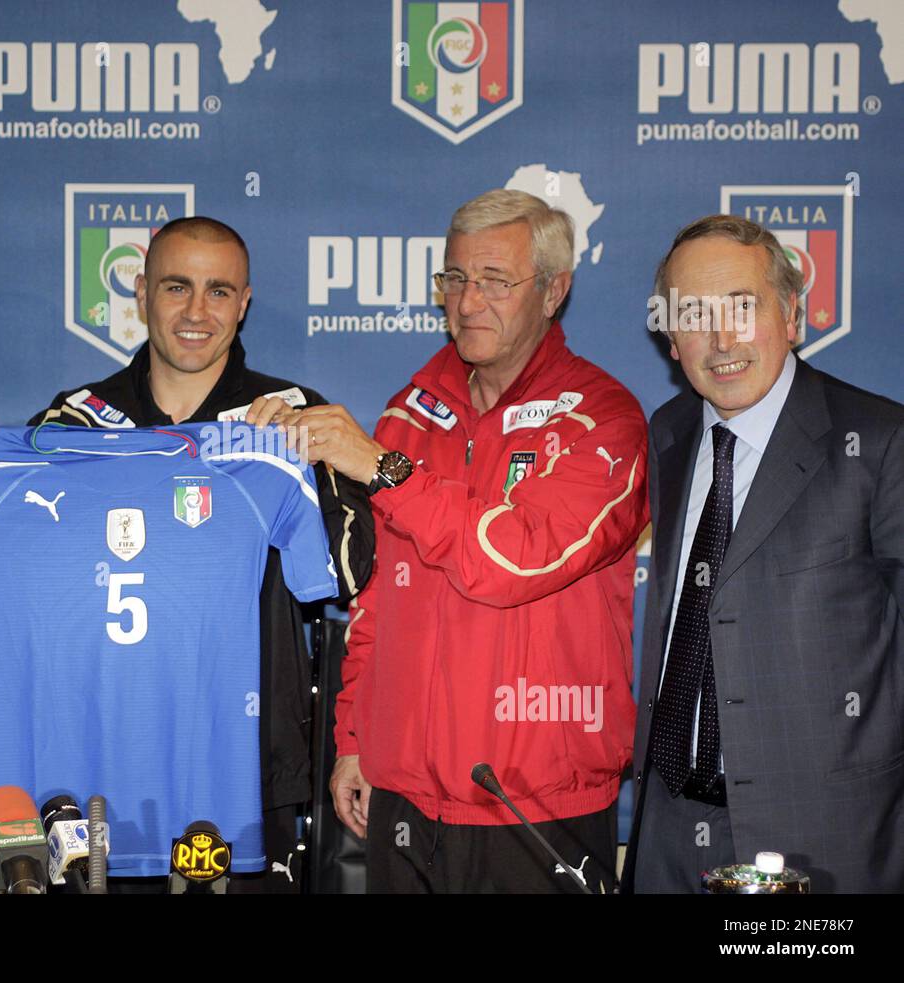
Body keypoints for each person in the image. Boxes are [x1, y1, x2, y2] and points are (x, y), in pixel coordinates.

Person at [286, 189, 648, 893]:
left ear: (554, 291)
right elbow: (376, 602)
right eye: (455, 278)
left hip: (534, 801)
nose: (469, 300)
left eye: (495, 280)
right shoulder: (411, 408)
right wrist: (358, 739)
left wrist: (382, 469)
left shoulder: (603, 419)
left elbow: (514, 557)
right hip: (406, 796)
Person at [27, 216, 374, 891]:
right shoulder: (72, 423)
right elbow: (22, 582)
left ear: (244, 304)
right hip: (102, 762)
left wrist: (312, 467)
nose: (195, 311)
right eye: (176, 287)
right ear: (140, 291)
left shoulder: (298, 415)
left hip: (243, 767)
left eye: (218, 292)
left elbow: (352, 573)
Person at [622, 215, 904, 894]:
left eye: (742, 307)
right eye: (695, 313)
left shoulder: (880, 442)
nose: (721, 339)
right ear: (670, 335)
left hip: (824, 841)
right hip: (665, 834)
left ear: (793, 315)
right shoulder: (669, 432)